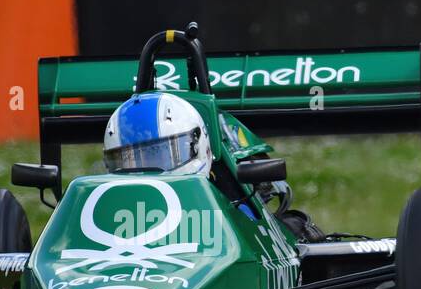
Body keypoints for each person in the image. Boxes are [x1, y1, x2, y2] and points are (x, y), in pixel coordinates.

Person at [102, 91, 327, 240]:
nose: (148, 169)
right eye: (131, 159)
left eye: (160, 154)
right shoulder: (104, 213)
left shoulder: (233, 208)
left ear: (197, 144)